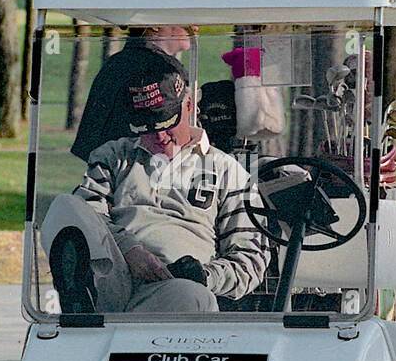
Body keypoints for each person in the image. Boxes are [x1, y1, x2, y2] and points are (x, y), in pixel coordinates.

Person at [45, 59, 270, 314]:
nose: (160, 136)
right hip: (111, 276)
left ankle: (91, 304)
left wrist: (204, 275)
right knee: (65, 206)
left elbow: (251, 259)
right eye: (146, 127)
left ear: (188, 106)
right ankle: (81, 298)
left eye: (166, 124)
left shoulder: (229, 171)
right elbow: (88, 214)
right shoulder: (112, 156)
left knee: (194, 295)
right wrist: (129, 249)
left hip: (170, 286)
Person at [70, 0, 199, 162]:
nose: (195, 25)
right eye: (184, 14)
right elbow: (171, 151)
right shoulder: (161, 72)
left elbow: (89, 147)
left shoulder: (117, 64)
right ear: (155, 22)